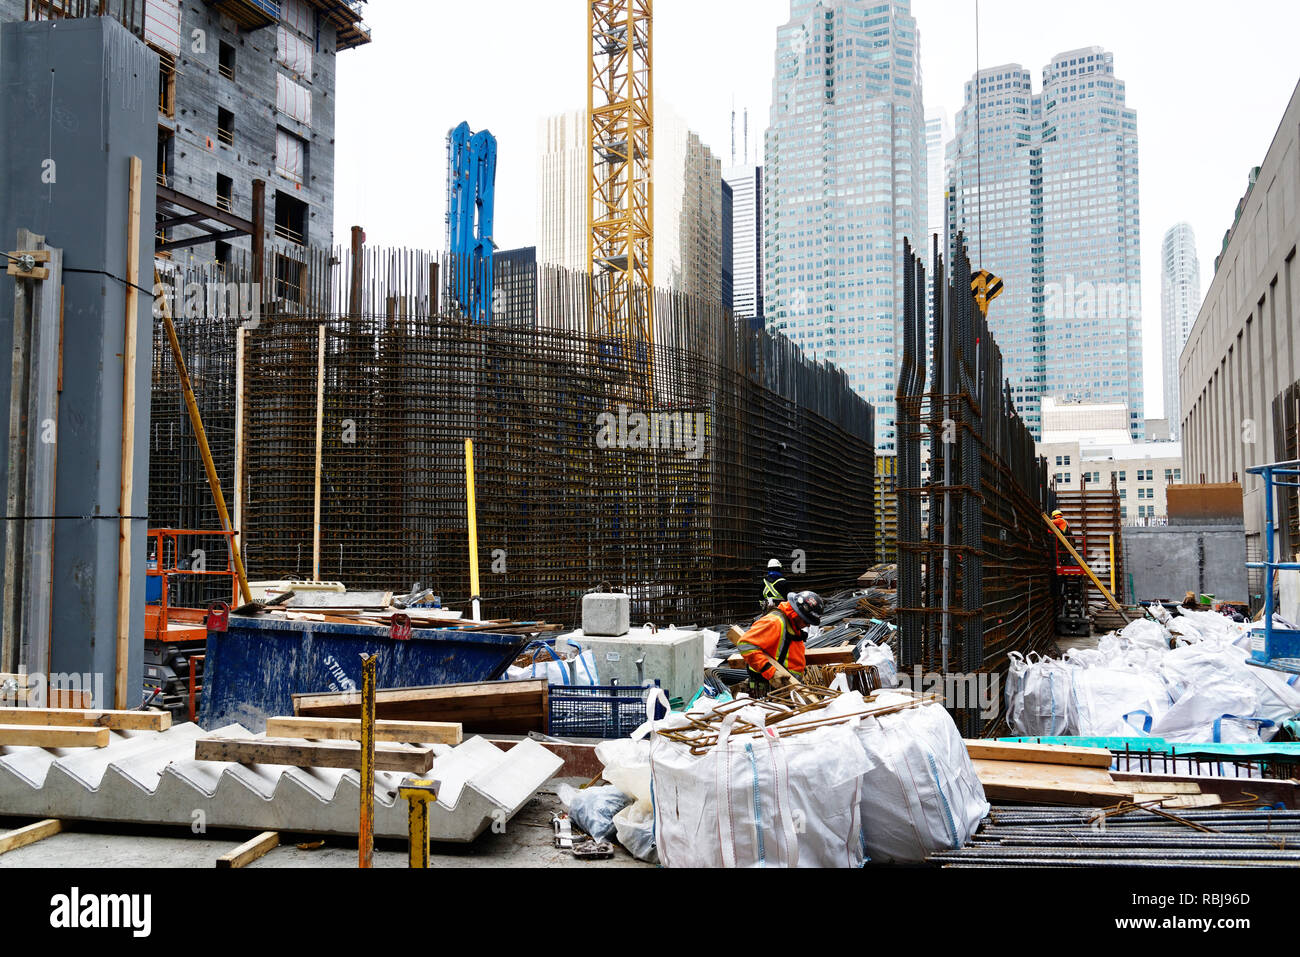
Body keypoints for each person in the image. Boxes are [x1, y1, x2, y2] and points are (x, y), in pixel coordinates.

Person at [735, 591, 824, 697]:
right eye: (806, 621)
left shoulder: (791, 625)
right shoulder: (775, 622)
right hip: (767, 689)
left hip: (784, 688)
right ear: (796, 614)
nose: (808, 625)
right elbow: (745, 644)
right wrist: (771, 672)